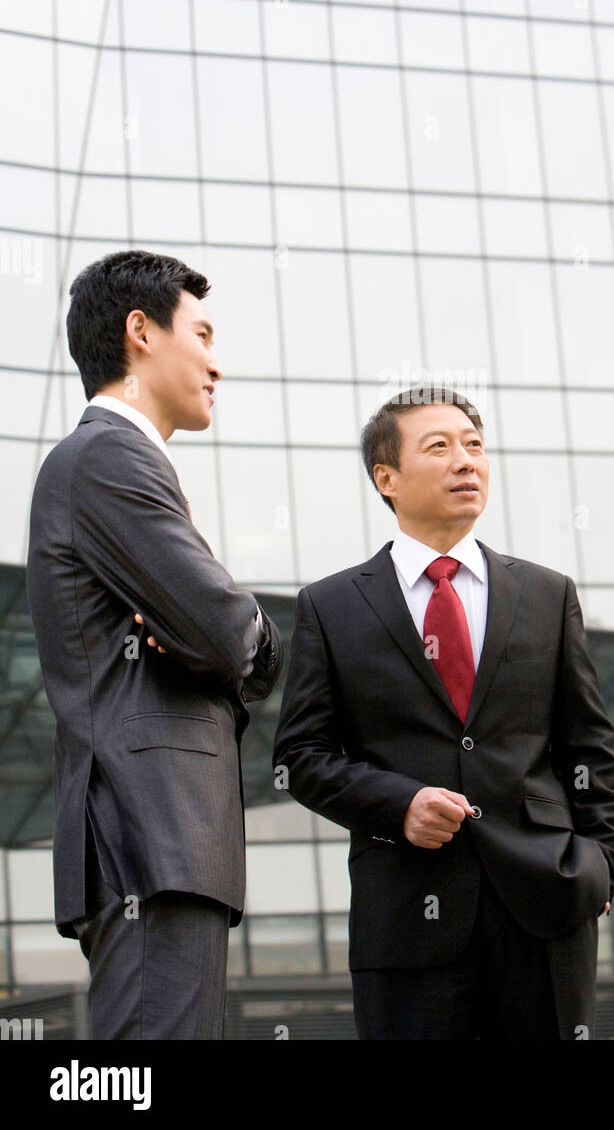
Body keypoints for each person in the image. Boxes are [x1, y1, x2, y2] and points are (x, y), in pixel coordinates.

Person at [274, 387, 614, 1040]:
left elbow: (590, 748)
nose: (467, 461)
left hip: (546, 908)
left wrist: (599, 864)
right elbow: (300, 757)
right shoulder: (332, 606)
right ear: (387, 478)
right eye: (440, 447)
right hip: (406, 916)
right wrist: (397, 803)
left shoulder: (548, 594)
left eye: (475, 446)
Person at [26, 250, 283, 1040]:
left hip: (164, 842)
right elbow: (228, 632)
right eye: (201, 333)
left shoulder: (126, 462)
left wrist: (205, 632)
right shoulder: (108, 456)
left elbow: (202, 631)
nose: (216, 361)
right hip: (149, 835)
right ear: (141, 332)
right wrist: (256, 642)